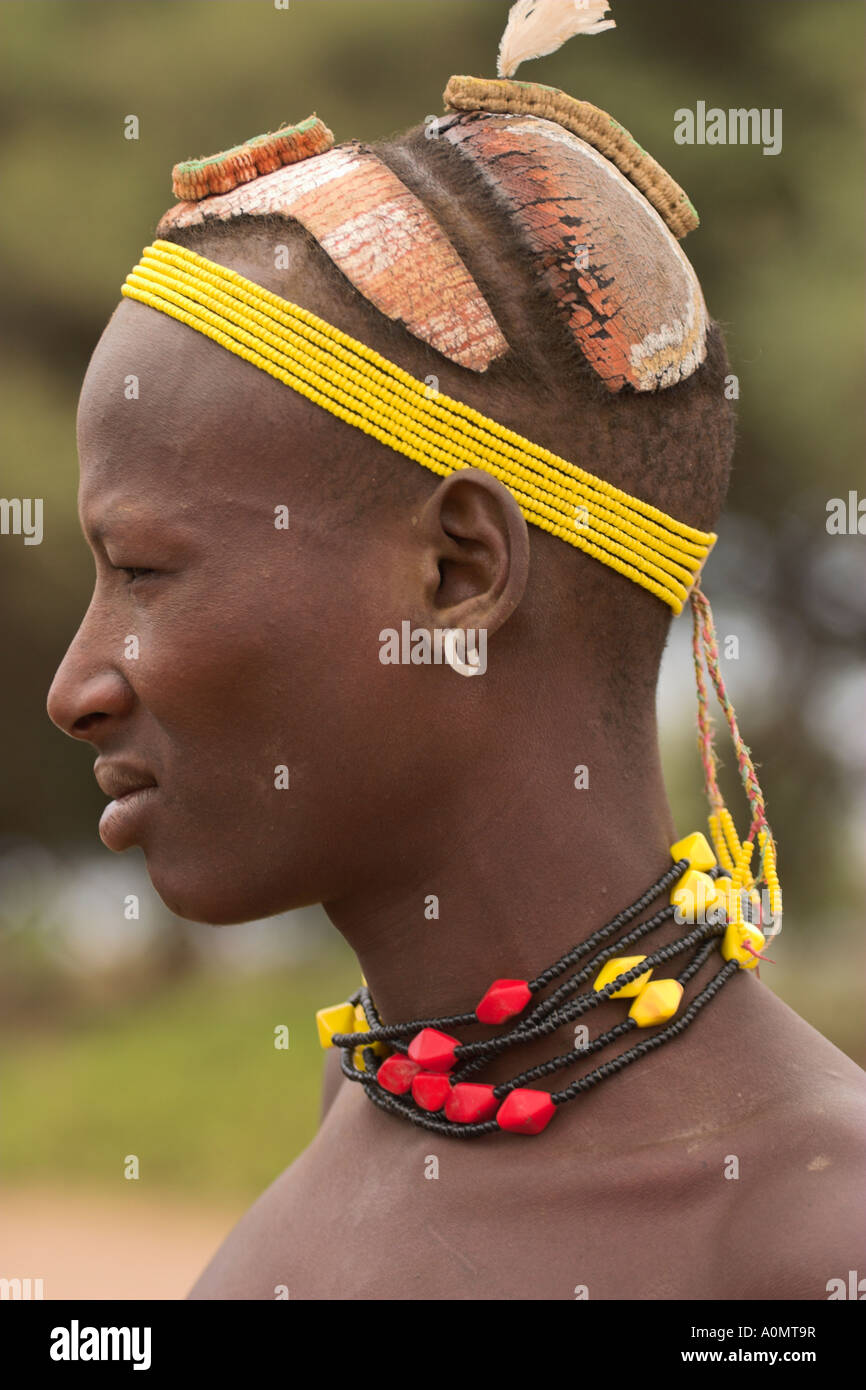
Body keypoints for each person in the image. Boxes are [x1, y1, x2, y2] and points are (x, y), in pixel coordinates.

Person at [46, 2, 864, 1300]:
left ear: (457, 569)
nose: (77, 687)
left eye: (145, 569)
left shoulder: (809, 1245)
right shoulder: (372, 1103)